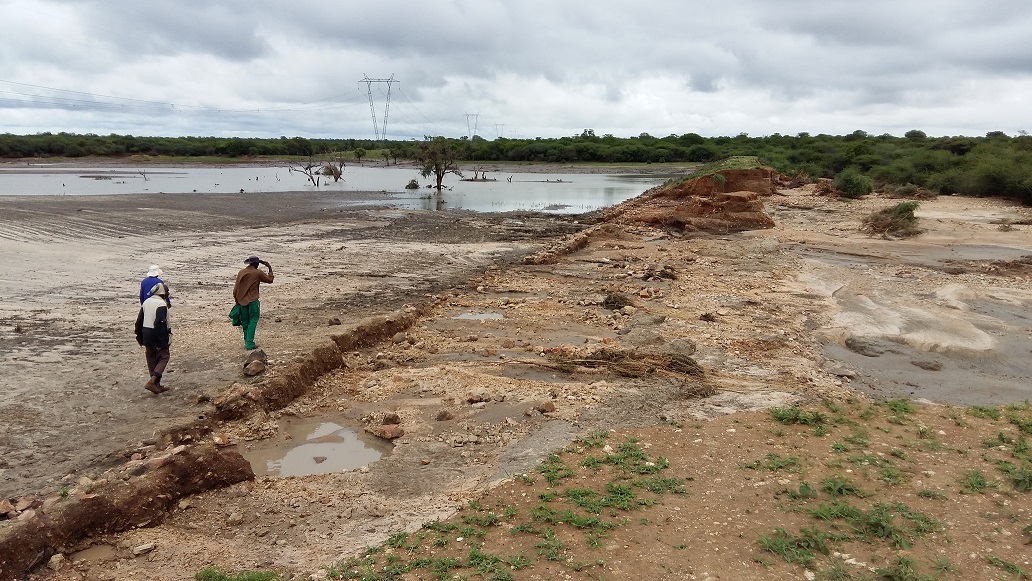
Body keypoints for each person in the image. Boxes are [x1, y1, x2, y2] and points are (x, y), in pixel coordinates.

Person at [135, 282, 171, 394]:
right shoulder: (161, 304)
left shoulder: (146, 302)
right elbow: (160, 323)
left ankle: (156, 385)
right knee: (164, 356)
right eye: (167, 292)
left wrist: (139, 337)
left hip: (146, 332)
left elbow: (139, 321)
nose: (168, 294)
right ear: (163, 293)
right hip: (156, 333)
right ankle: (153, 381)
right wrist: (164, 341)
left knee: (151, 357)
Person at [233, 255, 274, 350]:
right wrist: (269, 268)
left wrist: (237, 301)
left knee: (245, 322)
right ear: (256, 264)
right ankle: (250, 343)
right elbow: (270, 280)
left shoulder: (241, 272)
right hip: (253, 301)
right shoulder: (257, 273)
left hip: (241, 301)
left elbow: (235, 290)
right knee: (253, 320)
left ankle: (247, 341)